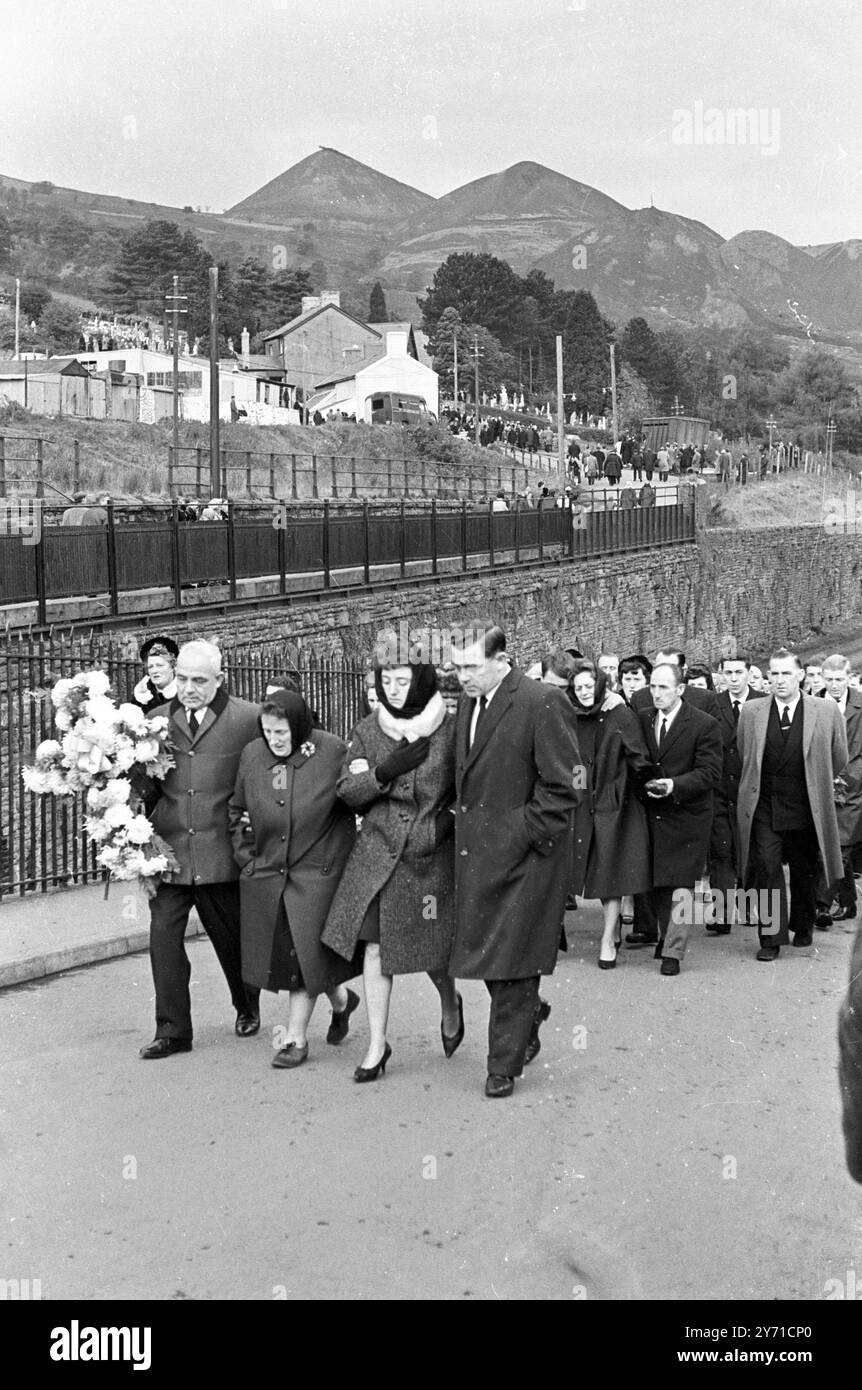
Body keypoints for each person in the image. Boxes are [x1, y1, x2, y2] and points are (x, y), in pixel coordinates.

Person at [448, 624, 581, 1098]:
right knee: (486, 953)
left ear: (502, 661)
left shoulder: (541, 701)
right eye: (456, 666)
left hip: (526, 860)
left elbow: (565, 787)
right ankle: (530, 1012)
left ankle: (501, 1066)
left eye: (470, 667)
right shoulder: (469, 701)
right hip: (478, 856)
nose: (460, 676)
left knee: (514, 959)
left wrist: (522, 834)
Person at [322, 659, 461, 1081]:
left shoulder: (450, 730)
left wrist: (444, 822)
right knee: (376, 951)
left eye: (403, 681)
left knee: (433, 950)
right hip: (378, 858)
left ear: (420, 682)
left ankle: (450, 1002)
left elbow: (469, 787)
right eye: (387, 682)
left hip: (428, 858)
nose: (394, 689)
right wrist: (384, 771)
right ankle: (377, 1044)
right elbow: (348, 790)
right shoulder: (368, 729)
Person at [139, 641, 262, 1058]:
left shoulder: (247, 718)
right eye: (184, 679)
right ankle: (173, 1030)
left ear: (219, 680)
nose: (188, 688)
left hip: (220, 855)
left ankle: (246, 1004)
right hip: (170, 855)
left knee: (232, 942)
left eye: (199, 681)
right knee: (163, 940)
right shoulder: (155, 721)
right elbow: (146, 787)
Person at [228, 689, 359, 1069]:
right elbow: (235, 811)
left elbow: (354, 804)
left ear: (299, 726)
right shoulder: (253, 756)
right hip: (269, 874)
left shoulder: (332, 751)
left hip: (316, 876)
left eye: (282, 732)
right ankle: (341, 1001)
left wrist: (337, 861)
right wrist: (247, 859)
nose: (275, 739)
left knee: (302, 960)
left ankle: (296, 1039)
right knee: (298, 955)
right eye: (268, 731)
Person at [737, 648, 848, 961]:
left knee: (804, 868)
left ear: (801, 675)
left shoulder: (825, 711)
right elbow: (746, 753)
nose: (779, 680)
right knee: (767, 865)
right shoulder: (753, 711)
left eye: (786, 673)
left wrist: (816, 782)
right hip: (765, 804)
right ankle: (771, 937)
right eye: (774, 673)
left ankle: (802, 924)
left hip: (806, 804)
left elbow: (838, 757)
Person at [633, 663, 723, 975]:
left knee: (681, 883)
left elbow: (710, 772)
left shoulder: (704, 724)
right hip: (652, 814)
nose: (656, 694)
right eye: (653, 687)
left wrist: (674, 785)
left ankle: (674, 950)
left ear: (680, 689)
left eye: (663, 688)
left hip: (687, 814)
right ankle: (665, 935)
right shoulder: (643, 718)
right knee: (659, 880)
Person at [569, 660, 652, 968]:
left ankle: (607, 937)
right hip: (581, 805)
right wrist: (577, 787)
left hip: (613, 805)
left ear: (601, 684)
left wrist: (621, 787)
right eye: (578, 688)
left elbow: (638, 758)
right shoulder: (571, 715)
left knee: (610, 873)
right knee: (585, 870)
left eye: (589, 686)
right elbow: (569, 759)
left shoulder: (619, 713)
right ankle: (610, 927)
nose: (584, 692)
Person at [707, 654, 767, 933]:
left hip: (751, 789)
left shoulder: (762, 703)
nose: (733, 678)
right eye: (727, 673)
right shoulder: (713, 704)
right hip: (720, 789)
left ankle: (748, 905)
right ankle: (721, 912)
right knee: (721, 850)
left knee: (751, 850)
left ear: (748, 673)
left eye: (738, 672)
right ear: (720, 675)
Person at [815, 655, 862, 925]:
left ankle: (820, 904)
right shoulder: (814, 704)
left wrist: (854, 776)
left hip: (853, 789)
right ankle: (848, 901)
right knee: (828, 846)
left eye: (839, 680)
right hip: (820, 784)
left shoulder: (859, 705)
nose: (834, 685)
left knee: (839, 847)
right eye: (829, 679)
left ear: (849, 677)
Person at [133, 636, 179, 716]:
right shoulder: (141, 695)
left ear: (172, 666)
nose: (154, 671)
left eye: (160, 665)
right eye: (150, 667)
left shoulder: (184, 693)